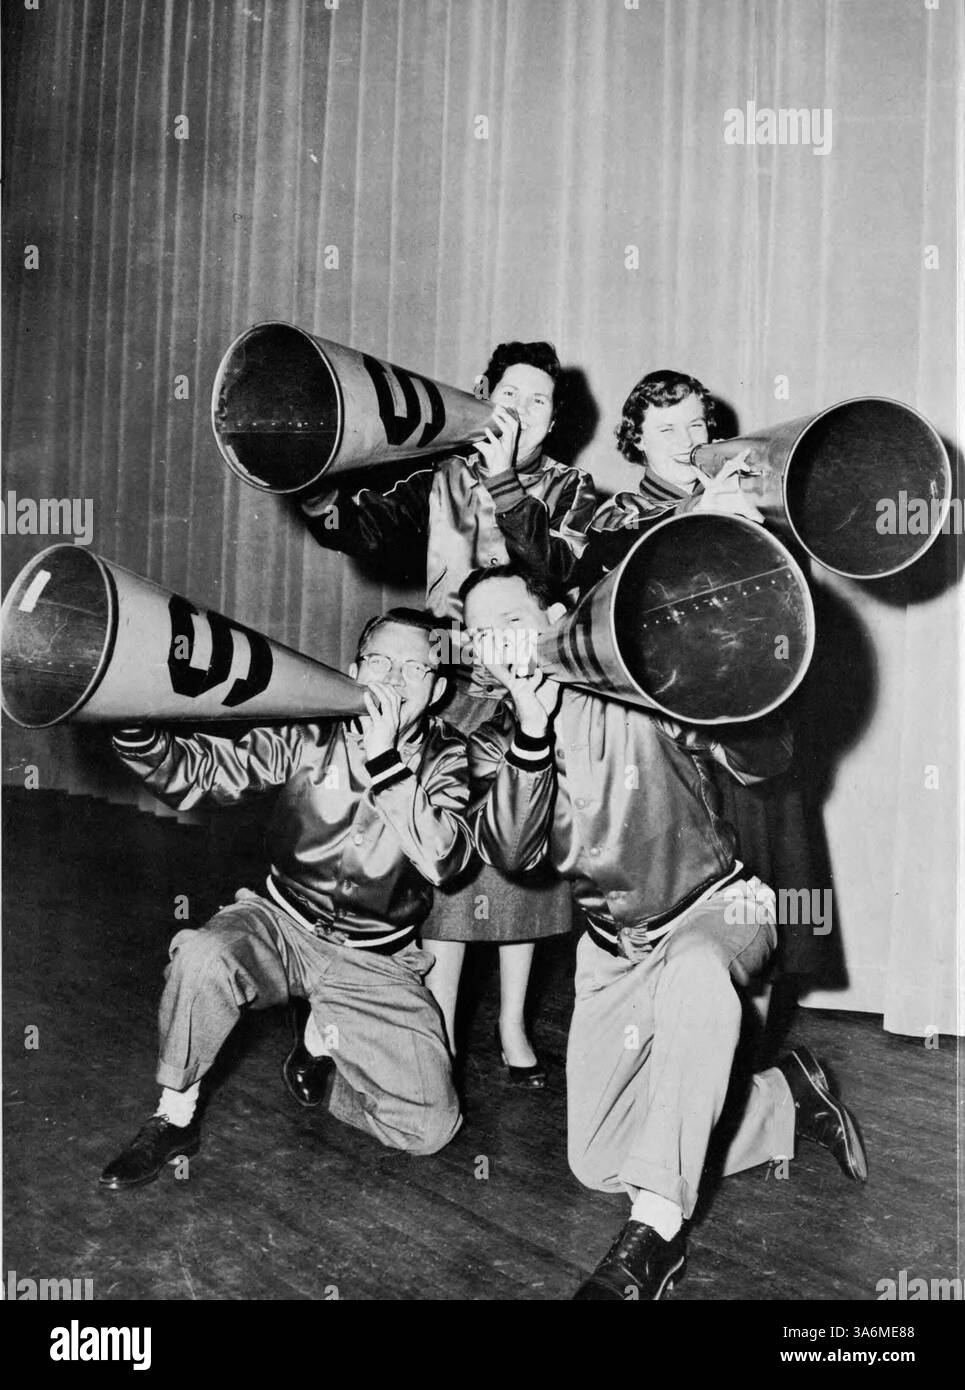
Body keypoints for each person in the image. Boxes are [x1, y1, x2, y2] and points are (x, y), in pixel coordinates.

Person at [461, 564, 867, 1300]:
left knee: (694, 973)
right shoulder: (489, 741)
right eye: (485, 635)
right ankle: (782, 1098)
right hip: (614, 953)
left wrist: (731, 696)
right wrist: (528, 731)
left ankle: (653, 1239)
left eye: (514, 622)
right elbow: (510, 853)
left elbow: (764, 760)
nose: (504, 645)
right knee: (597, 1161)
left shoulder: (630, 684)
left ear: (554, 616)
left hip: (720, 910)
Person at [300, 342, 599, 1080]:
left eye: (538, 402)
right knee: (448, 874)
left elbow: (562, 568)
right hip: (453, 697)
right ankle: (429, 1027)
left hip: (534, 695)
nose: (522, 412)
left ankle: (511, 1025)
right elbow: (359, 524)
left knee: (527, 870)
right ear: (481, 396)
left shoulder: (573, 492)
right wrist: (306, 477)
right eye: (511, 395)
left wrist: (503, 487)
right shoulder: (441, 478)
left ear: (554, 419)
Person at [98, 609, 470, 1191]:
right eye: (379, 662)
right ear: (353, 670)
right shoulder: (309, 729)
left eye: (415, 667)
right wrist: (135, 729)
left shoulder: (452, 758)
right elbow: (203, 772)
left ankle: (322, 1064)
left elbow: (444, 860)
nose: (394, 680)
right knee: (202, 954)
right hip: (281, 920)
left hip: (375, 957)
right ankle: (174, 1116)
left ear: (439, 687)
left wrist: (383, 759)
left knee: (429, 1129)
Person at [575, 367, 836, 1003]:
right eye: (666, 427)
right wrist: (696, 516)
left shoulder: (748, 500)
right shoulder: (616, 518)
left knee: (765, 909)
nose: (687, 437)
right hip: (670, 755)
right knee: (693, 921)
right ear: (635, 439)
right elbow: (603, 587)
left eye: (696, 423)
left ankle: (757, 1074)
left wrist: (763, 529)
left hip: (747, 728)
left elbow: (788, 610)